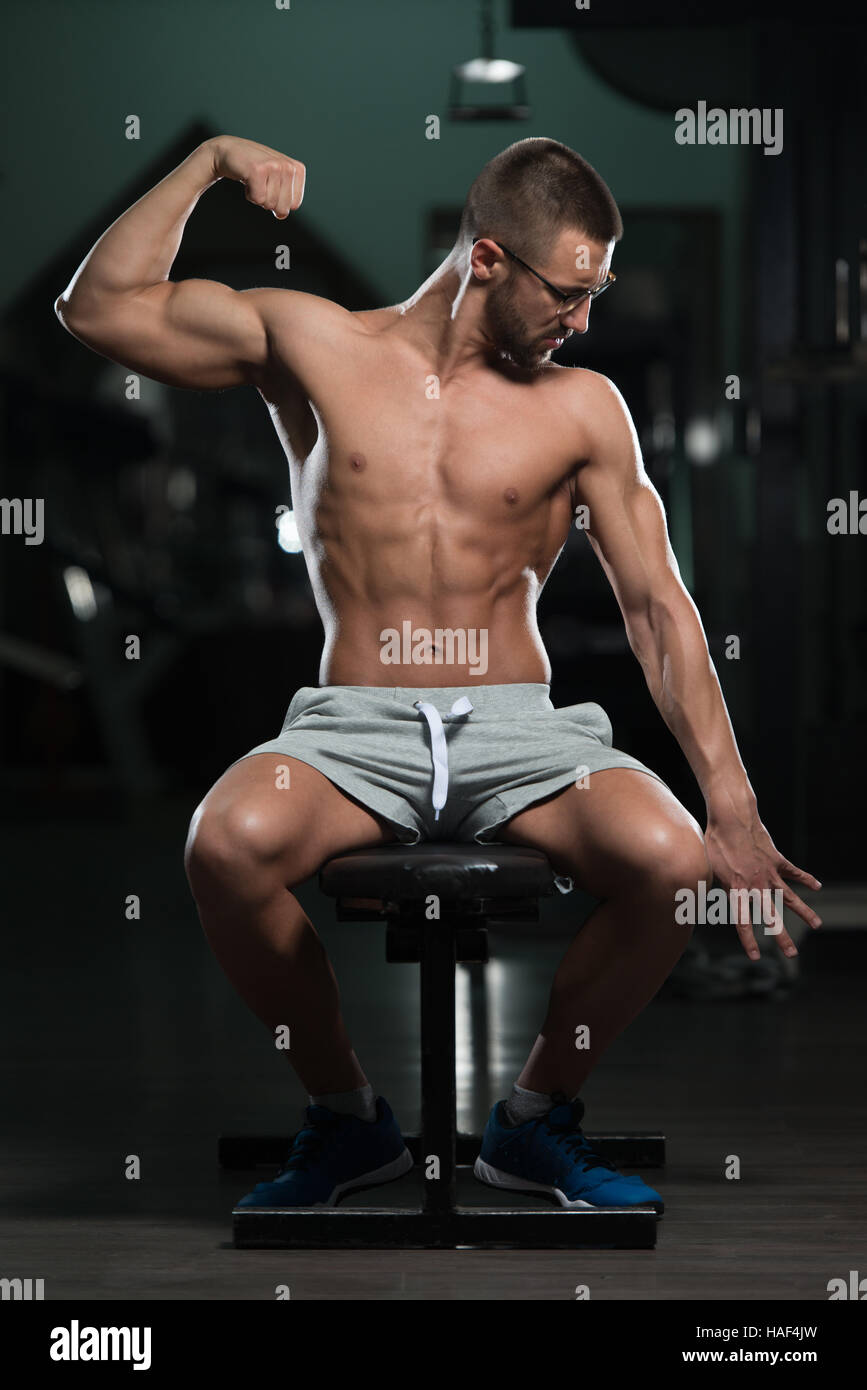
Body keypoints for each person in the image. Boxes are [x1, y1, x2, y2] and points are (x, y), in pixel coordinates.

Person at [55, 134, 822, 1215]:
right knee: (223, 844)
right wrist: (210, 163)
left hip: (520, 727)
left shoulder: (582, 407)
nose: (585, 320)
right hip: (351, 727)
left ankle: (533, 1122)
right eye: (571, 291)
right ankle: (347, 1119)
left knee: (670, 861)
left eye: (596, 293)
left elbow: (659, 607)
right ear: (490, 259)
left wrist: (731, 803)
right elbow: (98, 308)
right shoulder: (311, 343)